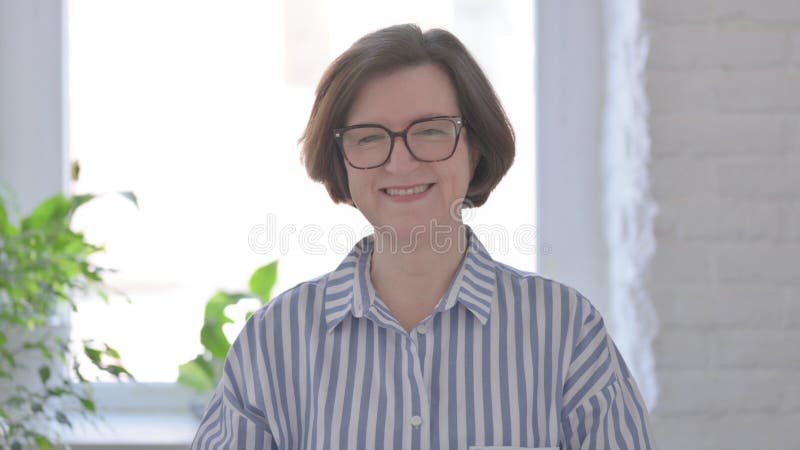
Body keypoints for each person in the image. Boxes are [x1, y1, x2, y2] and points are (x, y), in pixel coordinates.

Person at [191, 24, 655, 450]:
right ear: (341, 160)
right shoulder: (272, 344)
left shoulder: (568, 333)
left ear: (476, 148)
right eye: (369, 137)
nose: (401, 163)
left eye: (431, 131)